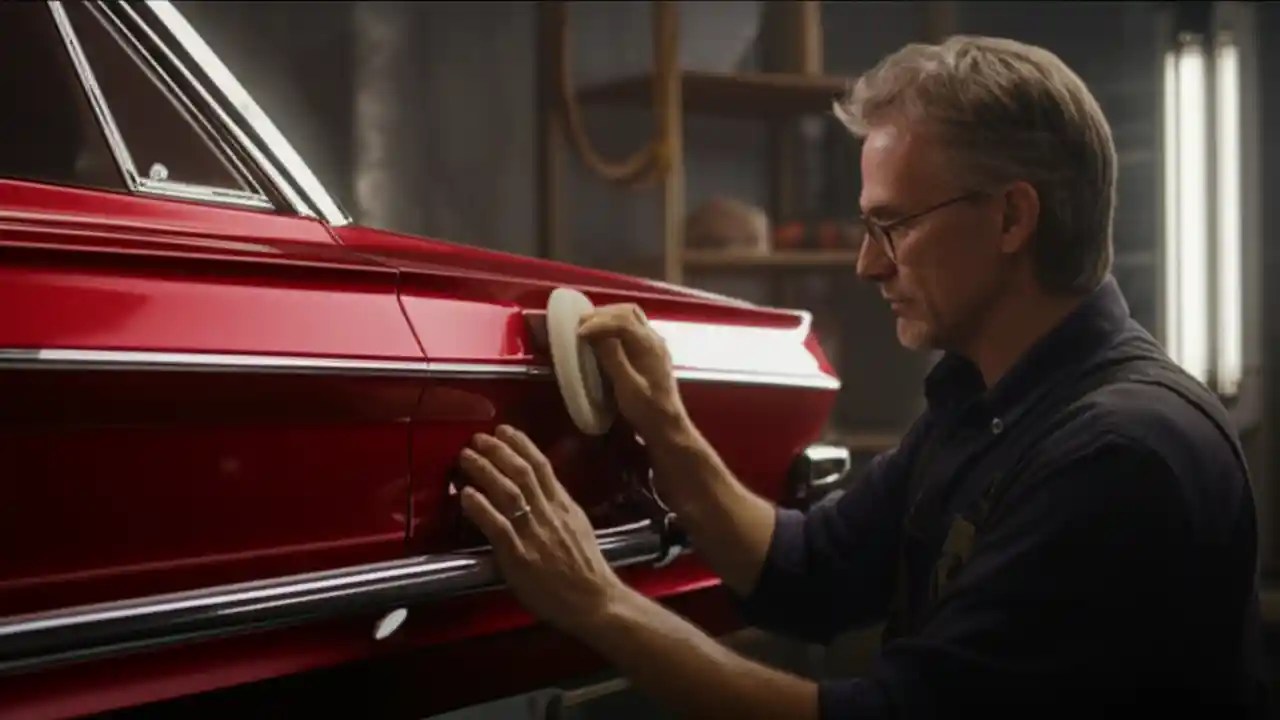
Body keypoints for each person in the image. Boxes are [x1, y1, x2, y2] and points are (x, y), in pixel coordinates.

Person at [455, 35, 1268, 718]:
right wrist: (666, 427)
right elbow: (808, 573)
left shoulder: (1120, 456)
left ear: (1013, 217)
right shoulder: (986, 397)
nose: (867, 264)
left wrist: (595, 602)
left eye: (894, 225)